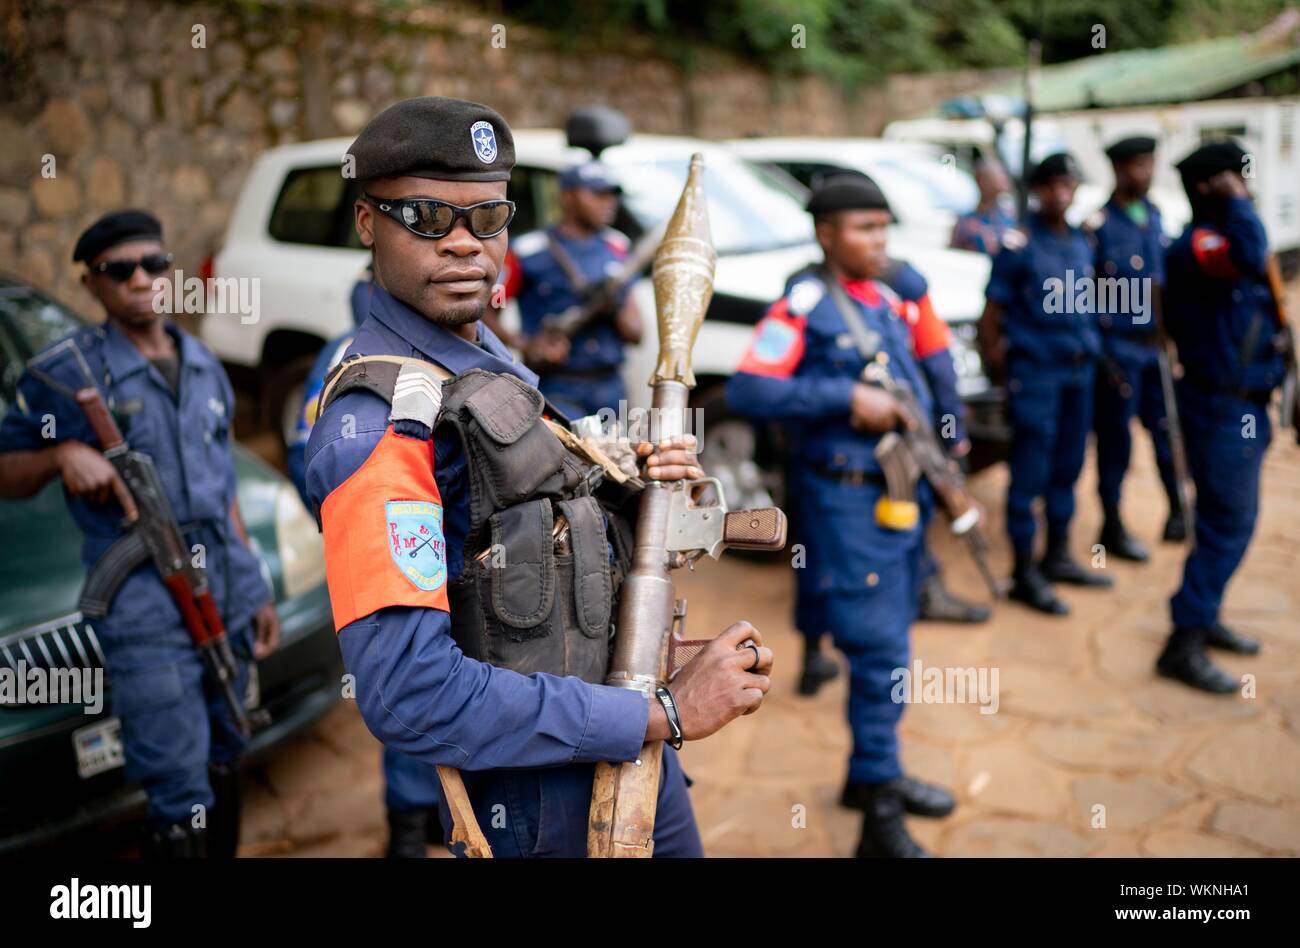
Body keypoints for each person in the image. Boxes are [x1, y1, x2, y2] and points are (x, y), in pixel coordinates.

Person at [304, 97, 772, 858]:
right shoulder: (384, 421)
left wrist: (630, 496)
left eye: (486, 218)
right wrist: (661, 714)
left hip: (618, 736)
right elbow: (413, 696)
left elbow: (526, 553)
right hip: (538, 801)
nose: (462, 244)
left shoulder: (486, 360)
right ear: (367, 223)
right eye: (425, 217)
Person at [0, 210, 280, 857]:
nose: (141, 279)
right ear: (91, 284)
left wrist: (258, 586)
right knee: (176, 783)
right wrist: (58, 457)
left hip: (226, 592)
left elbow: (224, 489)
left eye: (154, 264)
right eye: (119, 270)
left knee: (229, 746)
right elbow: (7, 470)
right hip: (146, 608)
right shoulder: (68, 376)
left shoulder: (206, 366)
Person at [728, 174, 956, 858]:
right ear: (827, 235)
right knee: (880, 649)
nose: (879, 242)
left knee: (894, 630)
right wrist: (844, 396)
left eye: (885, 228)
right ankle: (879, 820)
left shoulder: (886, 295)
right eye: (864, 229)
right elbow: (749, 389)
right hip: (846, 499)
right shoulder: (802, 305)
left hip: (896, 494)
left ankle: (868, 777)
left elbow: (924, 370)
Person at [287, 263, 446, 858]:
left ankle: (432, 815)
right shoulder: (348, 357)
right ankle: (406, 826)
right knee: (408, 678)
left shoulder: (459, 345)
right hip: (393, 540)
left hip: (455, 551)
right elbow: (311, 451)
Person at [1156, 140, 1279, 693]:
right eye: (1234, 179)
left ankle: (1203, 616)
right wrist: (1240, 202)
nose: (1244, 188)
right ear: (1211, 186)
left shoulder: (1221, 239)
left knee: (1229, 522)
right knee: (1226, 522)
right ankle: (1183, 640)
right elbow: (1252, 253)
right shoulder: (1198, 247)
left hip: (1244, 408)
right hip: (1219, 409)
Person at [979, 152, 1112, 616]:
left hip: (1080, 373)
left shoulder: (1082, 240)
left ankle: (1057, 556)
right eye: (1052, 186)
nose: (1061, 194)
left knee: (1068, 467)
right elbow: (990, 316)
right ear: (1038, 190)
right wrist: (1004, 372)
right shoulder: (1019, 245)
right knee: (1030, 474)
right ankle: (1023, 572)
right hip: (1037, 374)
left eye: (1068, 186)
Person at [1090, 136, 1183, 561]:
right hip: (1119, 350)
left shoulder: (1154, 216)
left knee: (1167, 433)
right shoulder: (1098, 227)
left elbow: (1161, 287)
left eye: (1150, 164)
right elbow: (1085, 297)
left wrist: (1170, 342)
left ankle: (1179, 512)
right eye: (1137, 166)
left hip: (1154, 350)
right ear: (1118, 169)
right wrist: (1104, 356)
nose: (1145, 174)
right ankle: (1111, 525)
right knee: (1116, 444)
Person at [503, 161, 642, 419]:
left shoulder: (617, 247)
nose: (607, 202)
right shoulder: (529, 251)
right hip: (558, 387)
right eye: (596, 194)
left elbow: (636, 332)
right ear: (567, 197)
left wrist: (613, 307)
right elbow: (490, 310)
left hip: (611, 386)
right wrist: (525, 343)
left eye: (611, 195)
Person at [951, 159, 1017, 257]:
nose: (1005, 181)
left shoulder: (1010, 215)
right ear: (981, 181)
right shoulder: (966, 222)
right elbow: (954, 255)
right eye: (999, 177)